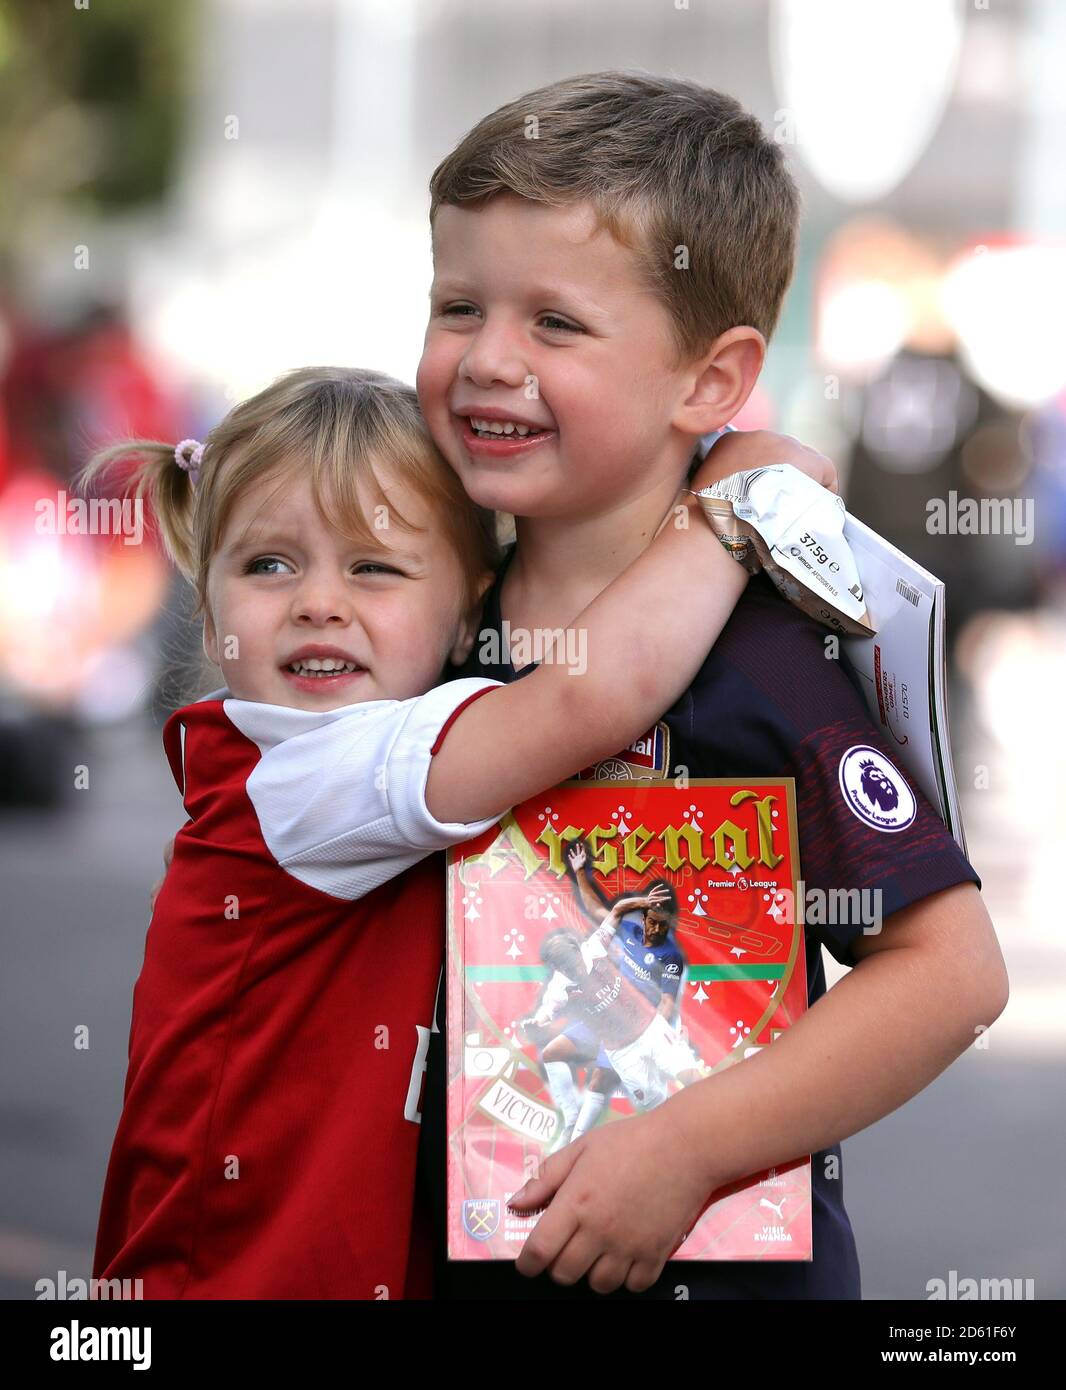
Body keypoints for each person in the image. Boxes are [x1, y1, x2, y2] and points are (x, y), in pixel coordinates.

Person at [413, 69, 1008, 1300]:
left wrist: (682, 1152)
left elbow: (950, 975)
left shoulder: (767, 656)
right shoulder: (422, 629)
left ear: (710, 381)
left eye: (555, 324)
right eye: (458, 306)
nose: (486, 360)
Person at [83, 362, 768, 1299]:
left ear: (466, 609)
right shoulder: (310, 774)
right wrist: (737, 506)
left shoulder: (296, 770)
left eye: (373, 567)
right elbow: (594, 694)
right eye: (266, 565)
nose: (318, 601)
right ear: (206, 607)